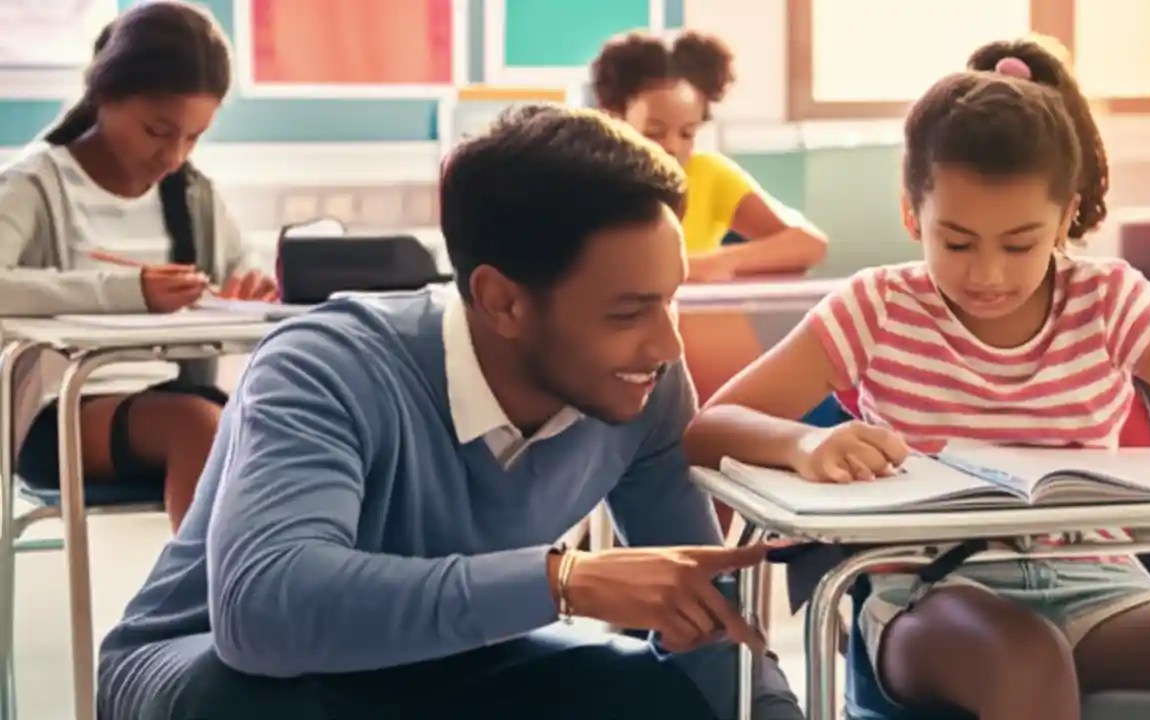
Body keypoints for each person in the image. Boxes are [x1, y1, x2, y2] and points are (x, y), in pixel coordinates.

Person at [95, 105, 802, 720]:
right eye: (628, 311)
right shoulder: (323, 365)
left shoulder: (647, 383)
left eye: (669, 298)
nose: (668, 341)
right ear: (503, 301)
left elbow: (708, 621)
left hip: (450, 662)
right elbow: (263, 613)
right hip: (220, 667)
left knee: (668, 697)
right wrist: (563, 580)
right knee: (250, 704)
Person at [683, 38, 1150, 720]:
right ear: (913, 215)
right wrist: (804, 445)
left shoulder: (1109, 298)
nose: (988, 275)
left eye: (1020, 243)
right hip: (926, 597)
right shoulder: (877, 306)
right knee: (1025, 658)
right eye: (957, 242)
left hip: (1102, 589)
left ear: (1065, 215)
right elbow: (710, 429)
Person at [0, 1, 274, 531]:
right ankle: (201, 612)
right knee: (199, 424)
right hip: (55, 417)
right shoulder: (35, 186)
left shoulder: (193, 196)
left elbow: (245, 278)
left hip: (175, 402)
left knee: (276, 427)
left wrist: (249, 291)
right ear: (105, 96)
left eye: (193, 137)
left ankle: (255, 602)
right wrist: (130, 289)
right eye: (157, 131)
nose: (173, 156)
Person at [591, 29, 827, 283]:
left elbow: (808, 244)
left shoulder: (707, 174)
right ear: (616, 118)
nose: (672, 146)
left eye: (687, 133)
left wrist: (714, 262)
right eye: (654, 132)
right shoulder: (590, 176)